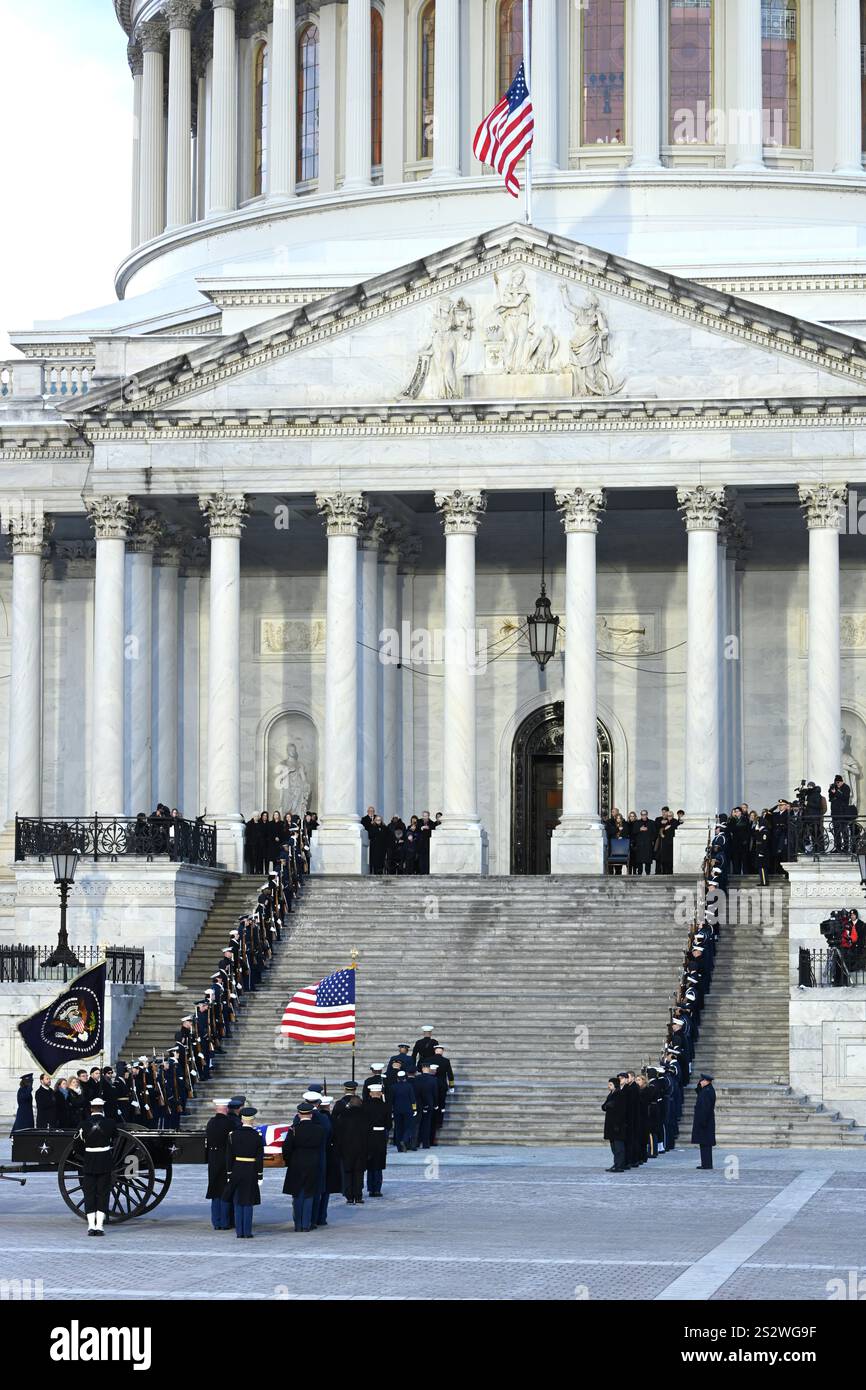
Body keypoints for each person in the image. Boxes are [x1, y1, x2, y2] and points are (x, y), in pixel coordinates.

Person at [282, 1101, 326, 1231]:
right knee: (309, 1193)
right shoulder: (319, 1129)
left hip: (296, 1163)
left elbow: (286, 1148)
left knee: (297, 1194)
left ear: (299, 1115)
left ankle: (298, 1224)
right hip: (313, 1162)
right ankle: (306, 1224)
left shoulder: (294, 1129)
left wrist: (288, 1161)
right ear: (311, 1115)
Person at [79, 1096, 118, 1236]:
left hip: (89, 1160)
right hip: (104, 1161)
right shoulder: (110, 1123)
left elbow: (77, 1146)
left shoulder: (83, 1124)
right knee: (103, 1194)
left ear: (91, 1109)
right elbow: (115, 1137)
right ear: (102, 1109)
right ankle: (100, 1226)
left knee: (89, 1194)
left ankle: (91, 1226)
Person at [224, 1105, 264, 1238]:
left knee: (237, 1201)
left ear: (242, 1119)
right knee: (248, 1202)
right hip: (251, 1170)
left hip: (236, 1169)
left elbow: (229, 1157)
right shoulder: (257, 1136)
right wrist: (260, 1175)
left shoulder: (233, 1135)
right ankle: (247, 1232)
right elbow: (259, 1158)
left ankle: (239, 1232)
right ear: (252, 1119)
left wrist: (229, 1174)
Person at [332, 1094, 369, 1204]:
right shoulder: (365, 1116)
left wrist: (338, 1149)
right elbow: (369, 1135)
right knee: (359, 1173)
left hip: (346, 1149)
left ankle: (349, 1196)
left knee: (348, 1172)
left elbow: (338, 1134)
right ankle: (358, 1196)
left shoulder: (343, 1115)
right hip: (361, 1149)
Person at [205, 1098, 233, 1230]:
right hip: (225, 1158)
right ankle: (225, 1222)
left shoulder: (210, 1122)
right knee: (224, 1191)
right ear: (226, 1109)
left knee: (214, 1190)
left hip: (213, 1158)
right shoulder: (229, 1123)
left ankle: (216, 1222)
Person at [364, 1084, 391, 1197]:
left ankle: (370, 1188)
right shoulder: (385, 1106)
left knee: (370, 1163)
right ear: (380, 1094)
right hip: (380, 1135)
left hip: (369, 1135)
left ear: (370, 1093)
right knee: (378, 1163)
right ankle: (377, 1189)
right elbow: (389, 1124)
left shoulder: (364, 1105)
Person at [691, 1074, 716, 1170]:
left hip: (705, 1121)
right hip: (705, 1121)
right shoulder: (706, 1090)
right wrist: (699, 1086)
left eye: (702, 1080)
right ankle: (705, 1163)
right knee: (704, 1143)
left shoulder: (707, 1091)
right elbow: (698, 1092)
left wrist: (703, 1121)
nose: (700, 1082)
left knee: (705, 1144)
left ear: (707, 1081)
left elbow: (706, 1108)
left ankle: (707, 1164)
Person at [602, 1077, 626, 1172]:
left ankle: (619, 1165)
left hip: (617, 1125)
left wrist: (618, 1124)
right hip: (610, 1124)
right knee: (613, 1146)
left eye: (610, 1084)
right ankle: (616, 1164)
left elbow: (621, 1110)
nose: (608, 1086)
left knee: (619, 1146)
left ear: (615, 1085)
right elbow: (604, 1106)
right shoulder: (611, 1094)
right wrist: (608, 1105)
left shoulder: (620, 1094)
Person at [391, 1070, 416, 1152]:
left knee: (398, 1128)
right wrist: (414, 1109)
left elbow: (392, 1100)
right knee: (408, 1127)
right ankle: (404, 1140)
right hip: (408, 1109)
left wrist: (392, 1110)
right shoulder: (409, 1086)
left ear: (397, 1078)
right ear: (405, 1078)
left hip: (397, 1110)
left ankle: (399, 1148)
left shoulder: (393, 1087)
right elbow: (412, 1099)